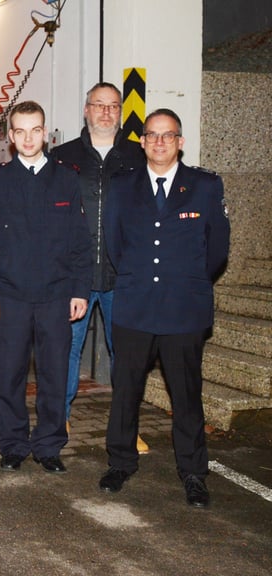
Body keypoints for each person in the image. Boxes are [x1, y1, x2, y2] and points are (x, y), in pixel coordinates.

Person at [98, 109, 230, 508]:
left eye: (167, 136)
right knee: (126, 391)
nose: (159, 142)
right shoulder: (122, 186)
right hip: (135, 306)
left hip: (183, 310)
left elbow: (217, 251)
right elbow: (114, 245)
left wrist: (184, 282)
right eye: (152, 136)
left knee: (186, 395)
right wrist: (141, 280)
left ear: (180, 141)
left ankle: (193, 473)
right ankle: (120, 462)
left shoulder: (205, 186)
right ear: (142, 142)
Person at [0, 101, 91, 474]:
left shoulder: (66, 180)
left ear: (46, 133)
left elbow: (80, 243)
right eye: (19, 131)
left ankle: (49, 446)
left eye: (34, 130)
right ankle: (12, 445)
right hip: (10, 297)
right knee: (10, 375)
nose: (27, 138)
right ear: (10, 136)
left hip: (56, 296)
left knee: (54, 375)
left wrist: (80, 291)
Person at [52, 82, 149, 453]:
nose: (106, 113)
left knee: (125, 354)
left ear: (121, 112)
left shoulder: (137, 157)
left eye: (113, 106)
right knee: (65, 351)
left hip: (122, 276)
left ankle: (126, 429)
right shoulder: (62, 156)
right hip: (73, 275)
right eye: (99, 105)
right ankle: (57, 420)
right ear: (86, 110)